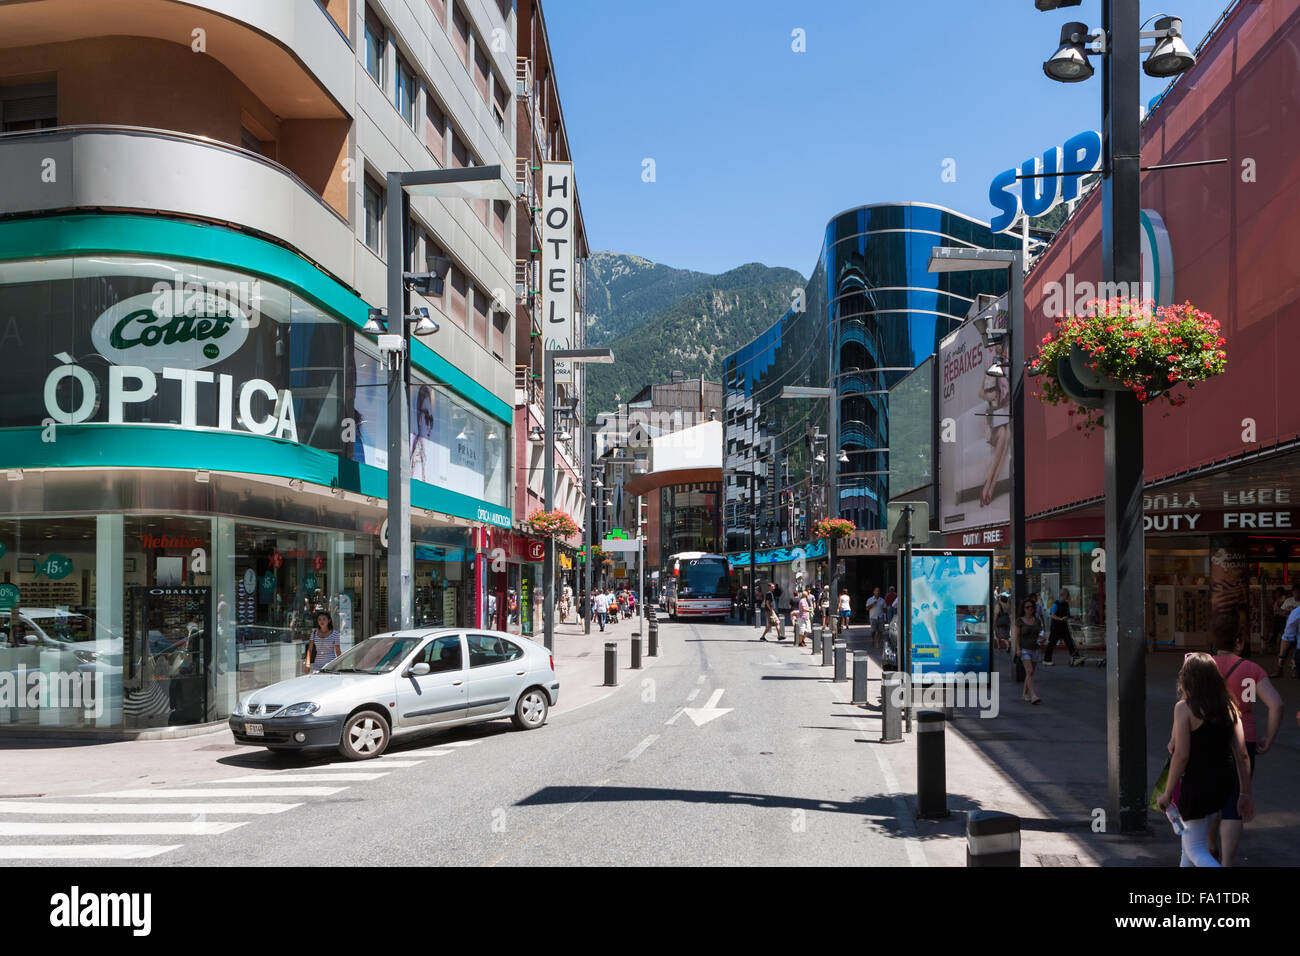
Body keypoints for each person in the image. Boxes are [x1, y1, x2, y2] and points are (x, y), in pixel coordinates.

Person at [1157, 652, 1254, 867]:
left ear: (1187, 679)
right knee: (1188, 850)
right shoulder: (1230, 707)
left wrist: (1166, 794)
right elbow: (1242, 753)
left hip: (1197, 785)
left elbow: (1181, 755)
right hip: (1223, 783)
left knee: (1195, 849)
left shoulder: (1184, 708)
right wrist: (1245, 792)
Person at [1208, 615, 1284, 865]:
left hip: (1207, 737)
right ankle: (1228, 862)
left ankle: (1208, 846)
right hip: (1244, 739)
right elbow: (1276, 704)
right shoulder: (1251, 669)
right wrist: (1268, 739)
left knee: (1210, 794)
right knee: (1234, 799)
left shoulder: (1202, 666)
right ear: (1239, 642)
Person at [1012, 598, 1043, 704]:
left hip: (1035, 648)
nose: (1030, 609)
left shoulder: (1037, 620)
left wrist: (1042, 637)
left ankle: (1024, 694)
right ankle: (1033, 695)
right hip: (1024, 649)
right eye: (1027, 607)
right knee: (1029, 671)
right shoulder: (1019, 621)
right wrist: (1018, 649)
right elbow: (1016, 636)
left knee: (1030, 673)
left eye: (1031, 607)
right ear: (1024, 609)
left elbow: (1040, 633)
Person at [1042, 588, 1080, 665]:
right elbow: (1052, 615)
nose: (1068, 597)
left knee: (1069, 642)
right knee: (1052, 643)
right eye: (1068, 595)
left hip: (1064, 626)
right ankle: (1046, 660)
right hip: (1056, 627)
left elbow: (1067, 615)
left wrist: (1073, 617)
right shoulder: (1055, 604)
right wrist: (1060, 619)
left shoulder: (1066, 604)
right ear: (1063, 595)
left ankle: (1076, 658)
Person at [1273, 586, 1300, 678]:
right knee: (1284, 650)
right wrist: (1285, 612)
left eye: (1298, 592)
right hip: (1289, 628)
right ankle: (1279, 670)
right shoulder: (1289, 601)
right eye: (1295, 592)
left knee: (1296, 651)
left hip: (1296, 632)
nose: (1297, 594)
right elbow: (1281, 611)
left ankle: (1295, 671)